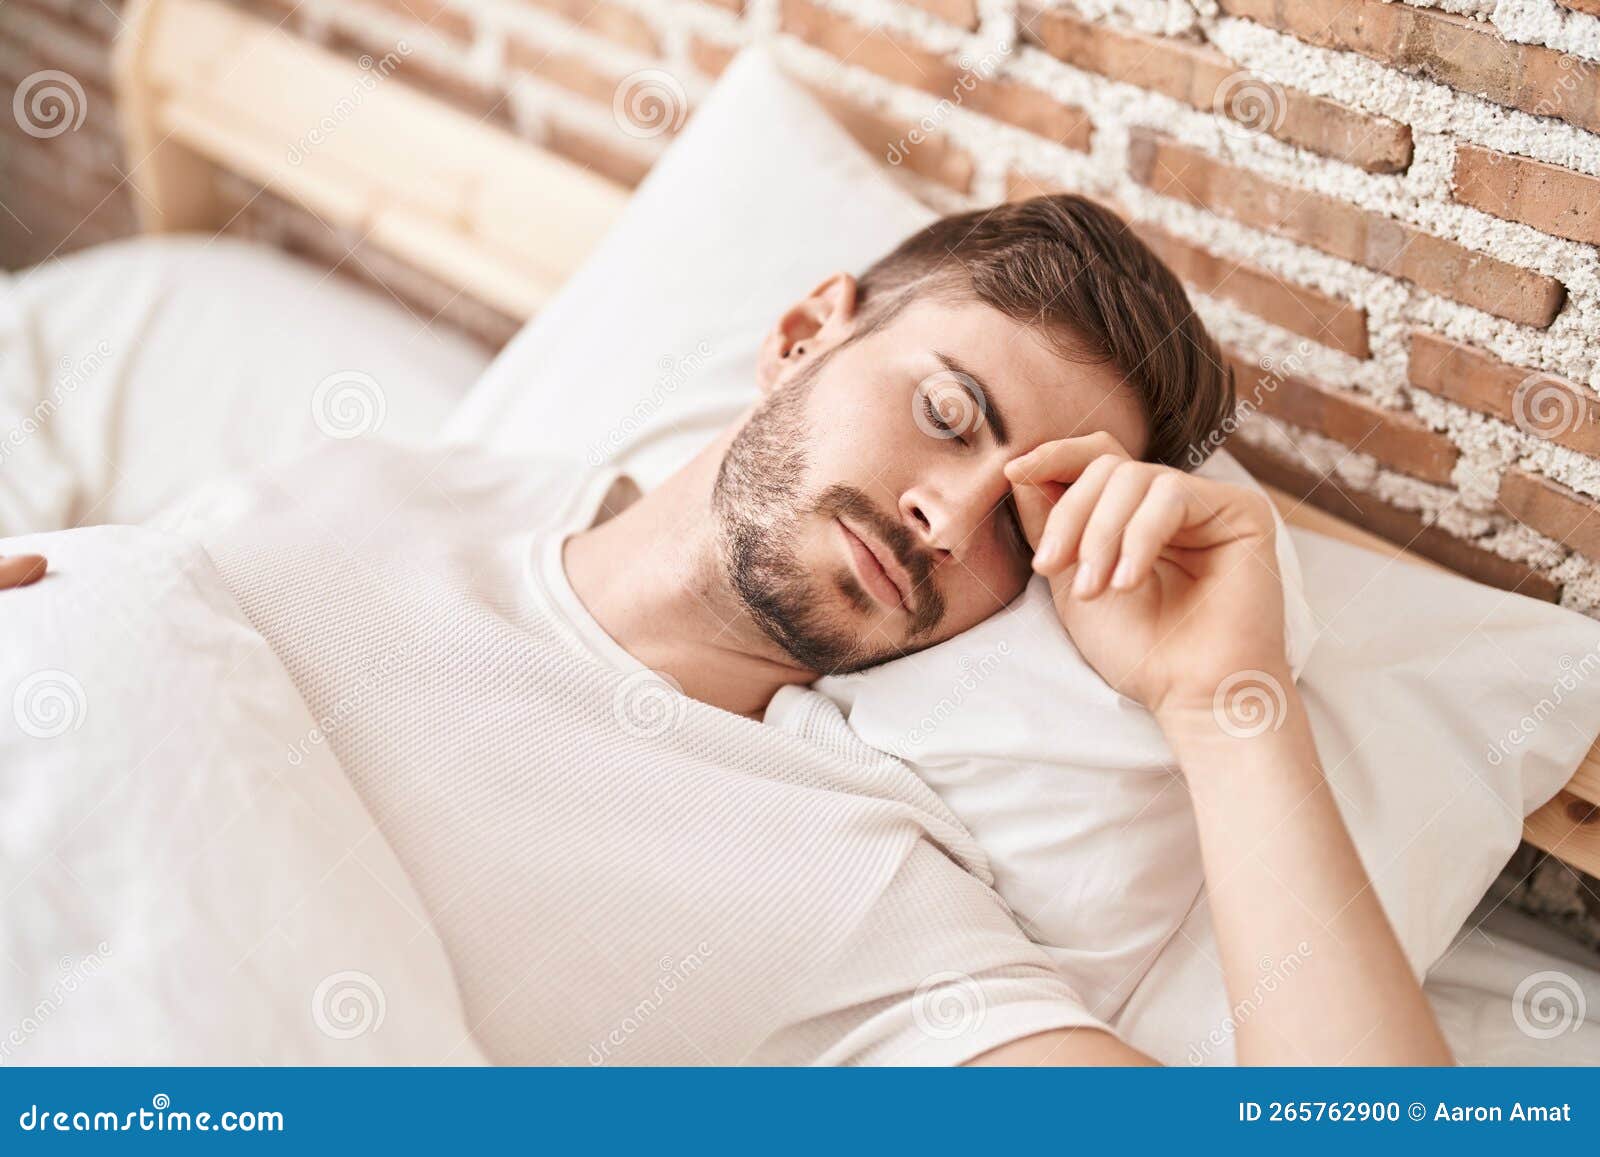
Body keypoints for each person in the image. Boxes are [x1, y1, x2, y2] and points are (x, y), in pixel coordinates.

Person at [0, 195, 1451, 1065]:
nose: (950, 512)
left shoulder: (864, 888)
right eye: (949, 414)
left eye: (1025, 517)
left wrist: (1227, 705)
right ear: (805, 333)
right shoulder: (387, 480)